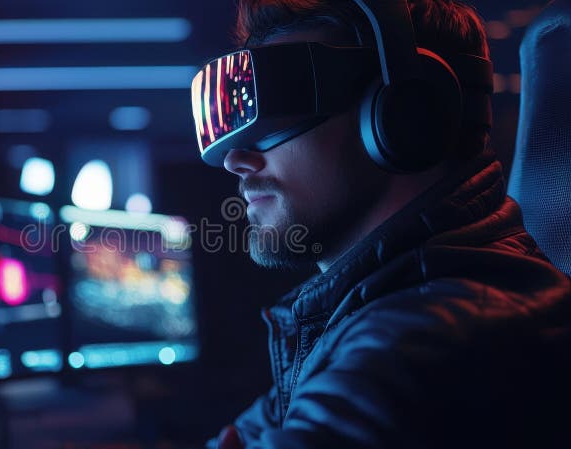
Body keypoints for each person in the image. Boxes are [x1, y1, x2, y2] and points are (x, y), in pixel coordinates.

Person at [192, 1, 571, 448]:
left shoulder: (424, 345)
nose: (236, 159)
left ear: (404, 113)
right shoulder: (359, 315)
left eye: (282, 106)